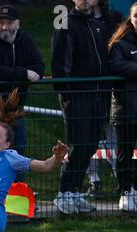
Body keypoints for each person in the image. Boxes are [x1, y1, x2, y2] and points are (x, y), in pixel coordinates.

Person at [52, 0, 111, 215]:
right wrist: (66, 93)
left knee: (91, 144)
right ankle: (64, 192)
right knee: (77, 143)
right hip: (77, 95)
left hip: (99, 95)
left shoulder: (99, 23)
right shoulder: (64, 21)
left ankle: (74, 191)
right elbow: (60, 61)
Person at [0, 4, 45, 182]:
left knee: (18, 155)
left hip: (15, 110)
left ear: (18, 23)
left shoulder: (25, 39)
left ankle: (16, 199)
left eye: (9, 22)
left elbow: (39, 66)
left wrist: (26, 73)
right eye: (0, 22)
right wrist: (23, 74)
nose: (4, 27)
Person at [85, 0, 122, 197]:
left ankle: (120, 180)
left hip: (110, 87)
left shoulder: (114, 19)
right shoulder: (74, 20)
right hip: (87, 88)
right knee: (87, 135)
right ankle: (93, 179)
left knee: (113, 135)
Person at [108, 2, 137, 212]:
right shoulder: (120, 43)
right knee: (125, 152)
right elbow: (116, 65)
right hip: (126, 109)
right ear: (131, 18)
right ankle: (125, 191)